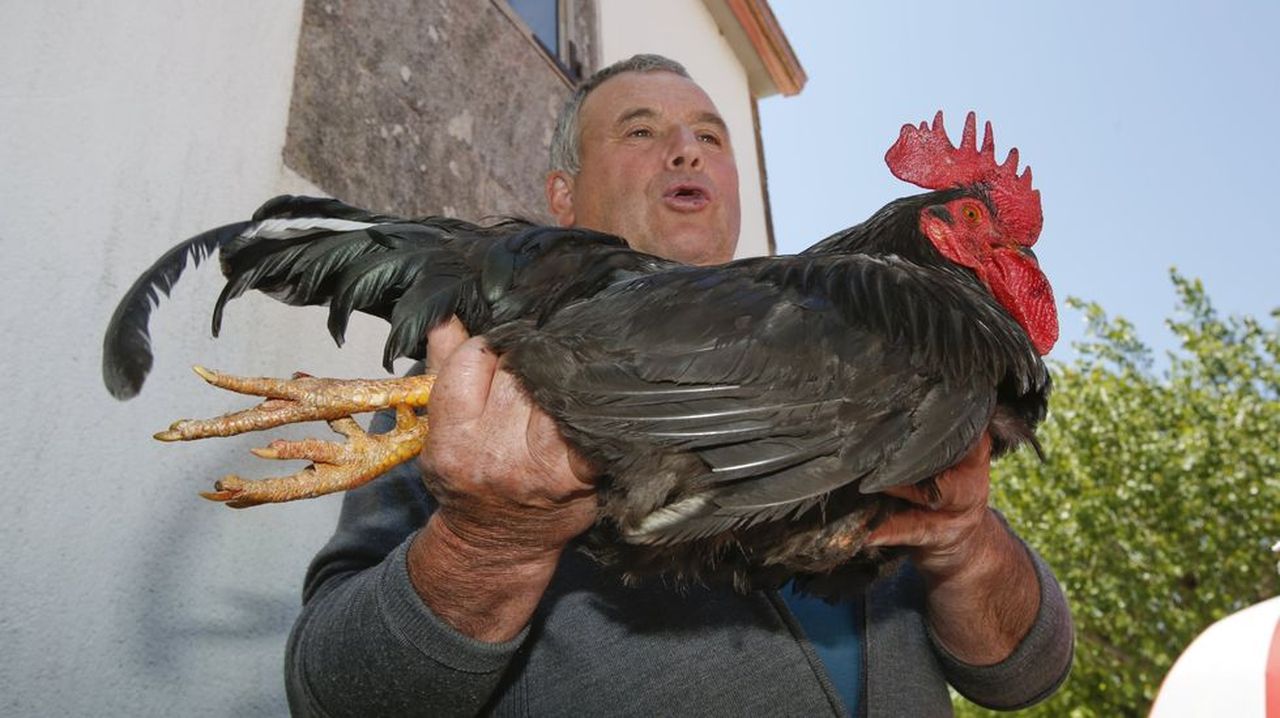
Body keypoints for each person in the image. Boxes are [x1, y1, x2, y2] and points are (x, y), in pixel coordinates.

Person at [285, 54, 1073, 717]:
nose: (687, 152)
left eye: (710, 136)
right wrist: (487, 542)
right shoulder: (474, 391)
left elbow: (1023, 674)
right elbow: (335, 694)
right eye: (641, 132)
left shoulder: (878, 348)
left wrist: (967, 546)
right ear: (563, 194)